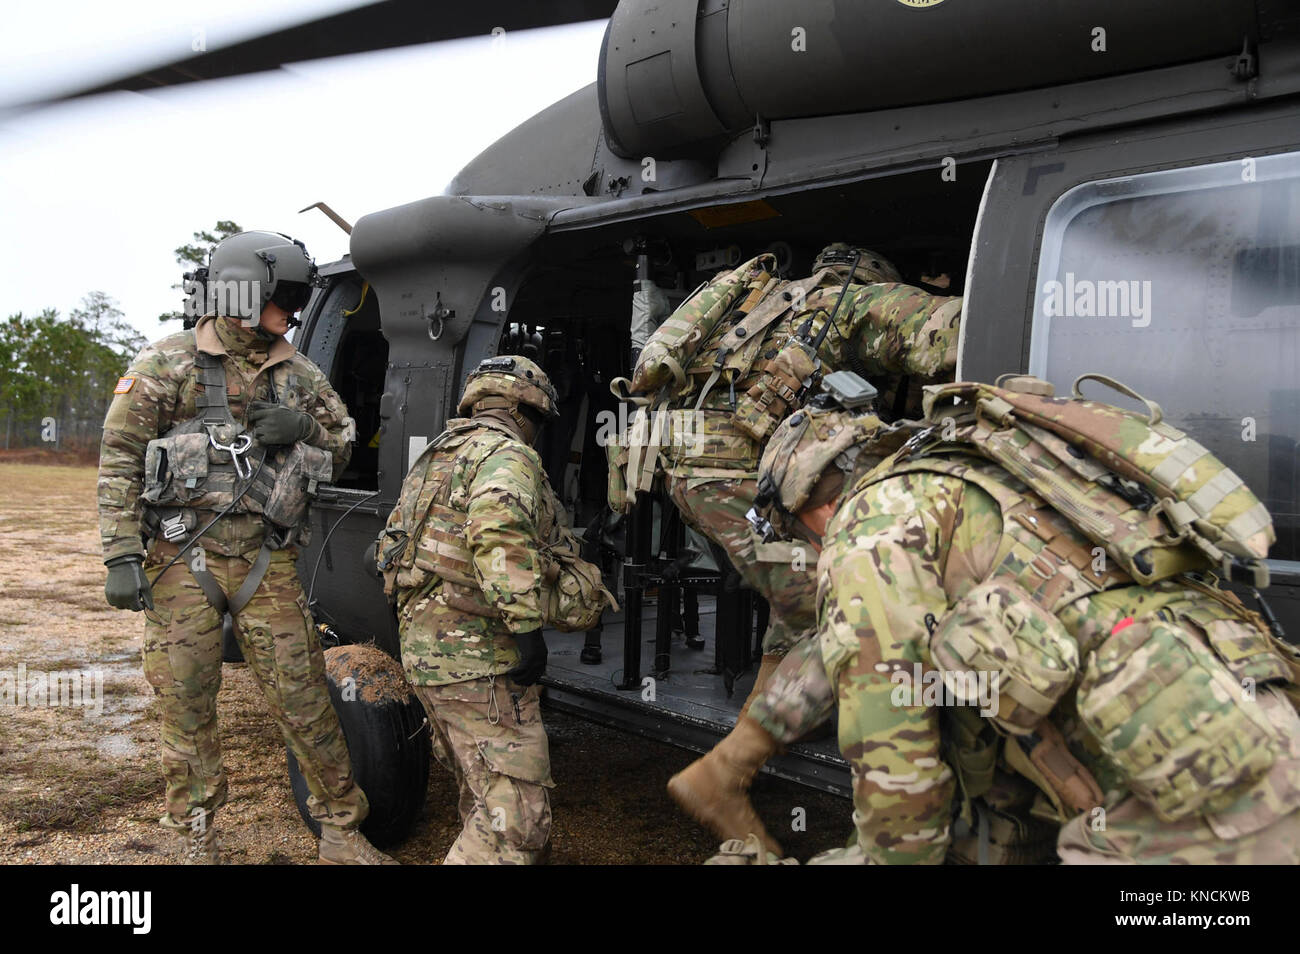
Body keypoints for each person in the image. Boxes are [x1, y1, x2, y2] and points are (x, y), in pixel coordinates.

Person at [706, 374, 1300, 864]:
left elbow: (896, 773)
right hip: (1253, 729)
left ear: (817, 507)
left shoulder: (869, 528)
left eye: (806, 537)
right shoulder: (986, 474)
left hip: (1210, 812)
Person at [99, 230, 393, 864]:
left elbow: (343, 447)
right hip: (182, 562)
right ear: (244, 293)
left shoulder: (298, 372)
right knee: (186, 705)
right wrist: (121, 555)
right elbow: (118, 462)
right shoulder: (165, 364)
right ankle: (193, 840)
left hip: (268, 560)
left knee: (305, 699)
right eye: (285, 296)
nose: (293, 310)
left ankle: (342, 833)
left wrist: (304, 427)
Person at [377, 355, 567, 864]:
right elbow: (496, 532)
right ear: (523, 411)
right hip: (477, 659)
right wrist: (527, 628)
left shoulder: (439, 455)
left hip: (428, 653)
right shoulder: (506, 455)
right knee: (517, 821)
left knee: (484, 795)